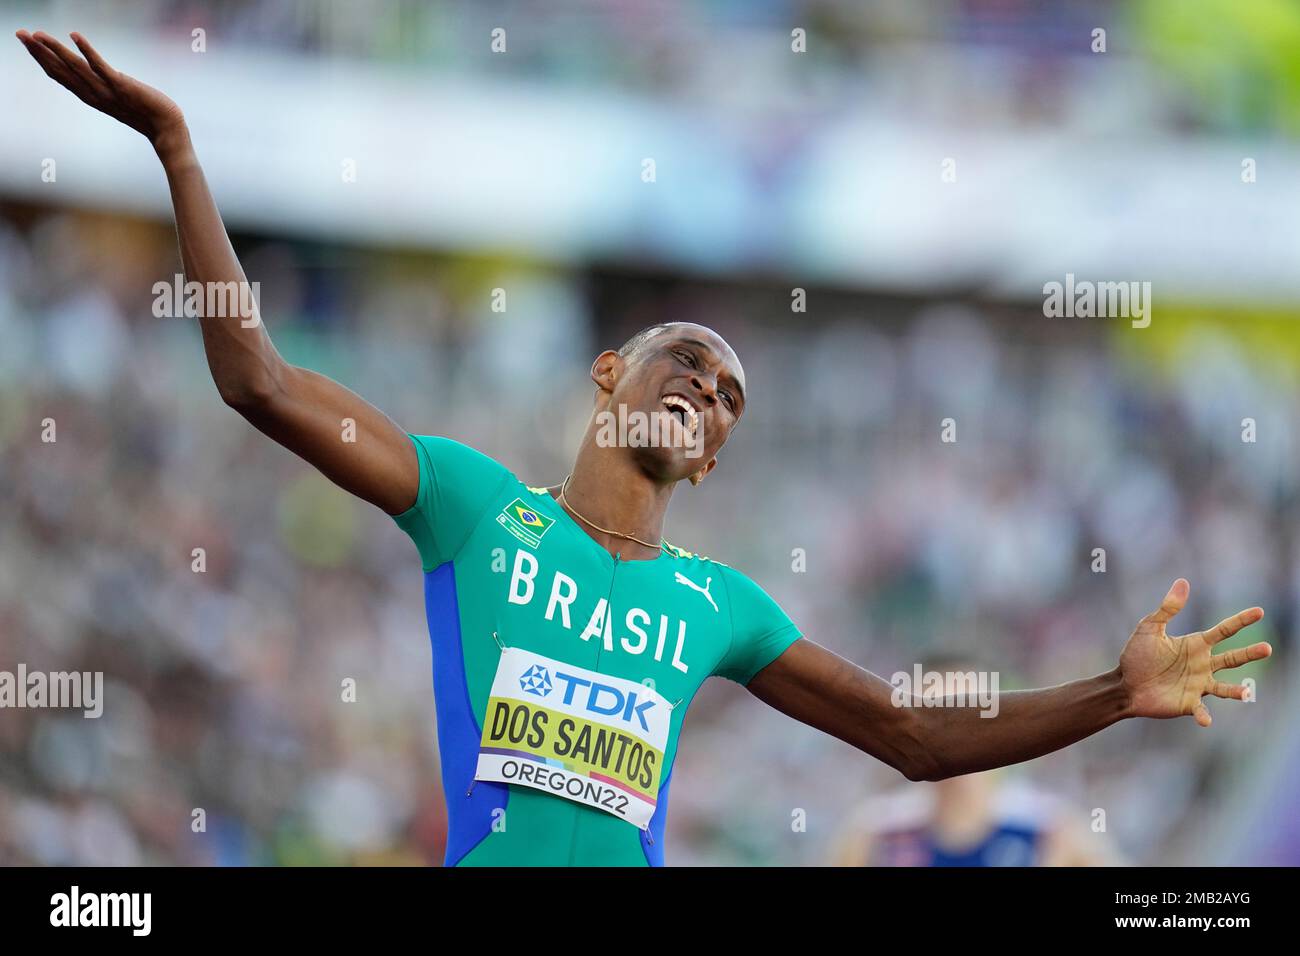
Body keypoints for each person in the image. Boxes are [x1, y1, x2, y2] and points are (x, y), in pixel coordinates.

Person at [17, 29, 1273, 867]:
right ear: (609, 370)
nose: (707, 388)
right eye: (686, 357)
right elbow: (260, 380)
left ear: (712, 458)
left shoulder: (717, 606)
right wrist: (179, 153)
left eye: (729, 395)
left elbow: (912, 733)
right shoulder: (475, 505)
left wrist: (1113, 692)